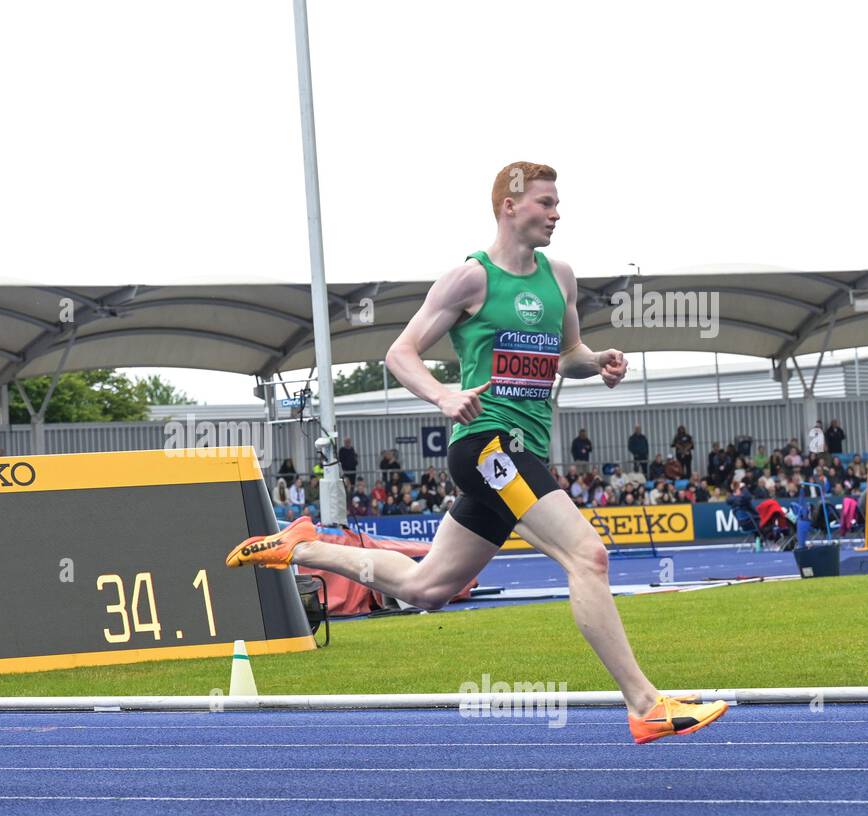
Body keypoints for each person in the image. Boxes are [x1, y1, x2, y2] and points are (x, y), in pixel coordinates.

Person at [225, 161, 726, 743]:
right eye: (546, 202)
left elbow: (565, 355)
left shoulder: (560, 277)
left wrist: (599, 362)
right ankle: (645, 705)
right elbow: (401, 352)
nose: (557, 213)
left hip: (524, 448)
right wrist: (443, 394)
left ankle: (302, 546)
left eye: (558, 203)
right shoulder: (470, 279)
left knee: (427, 589)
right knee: (587, 557)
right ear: (509, 207)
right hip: (486, 442)